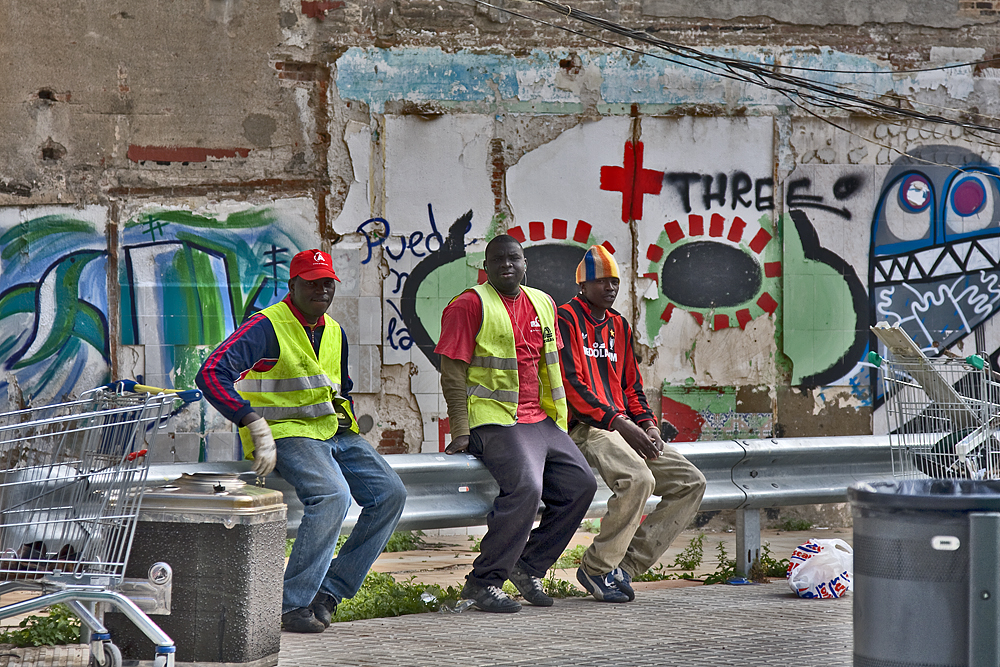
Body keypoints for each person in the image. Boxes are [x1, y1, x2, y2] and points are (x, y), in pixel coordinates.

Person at [196, 249, 407, 633]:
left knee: (391, 494)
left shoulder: (334, 331)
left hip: (334, 432)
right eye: (311, 282)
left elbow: (340, 388)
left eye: (327, 282)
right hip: (286, 433)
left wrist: (349, 422)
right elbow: (211, 372)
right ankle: (290, 604)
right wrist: (250, 420)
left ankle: (328, 594)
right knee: (332, 496)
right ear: (292, 285)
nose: (321, 289)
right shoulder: (266, 326)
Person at [436, 234, 598, 613]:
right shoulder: (469, 305)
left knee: (581, 485)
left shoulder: (543, 303)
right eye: (498, 260)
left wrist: (559, 422)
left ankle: (528, 566)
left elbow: (548, 368)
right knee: (526, 487)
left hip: (540, 420)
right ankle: (484, 581)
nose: (507, 265)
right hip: (493, 419)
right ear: (486, 267)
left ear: (525, 264)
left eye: (514, 259)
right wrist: (461, 430)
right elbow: (452, 374)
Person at [557, 245, 706, 602]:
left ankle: (623, 566)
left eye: (615, 282)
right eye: (602, 282)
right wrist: (620, 423)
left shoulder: (619, 327)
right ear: (583, 285)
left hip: (625, 426)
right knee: (638, 479)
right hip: (588, 427)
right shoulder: (565, 319)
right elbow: (571, 385)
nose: (610, 288)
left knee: (690, 482)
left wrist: (649, 426)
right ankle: (596, 568)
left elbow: (631, 387)